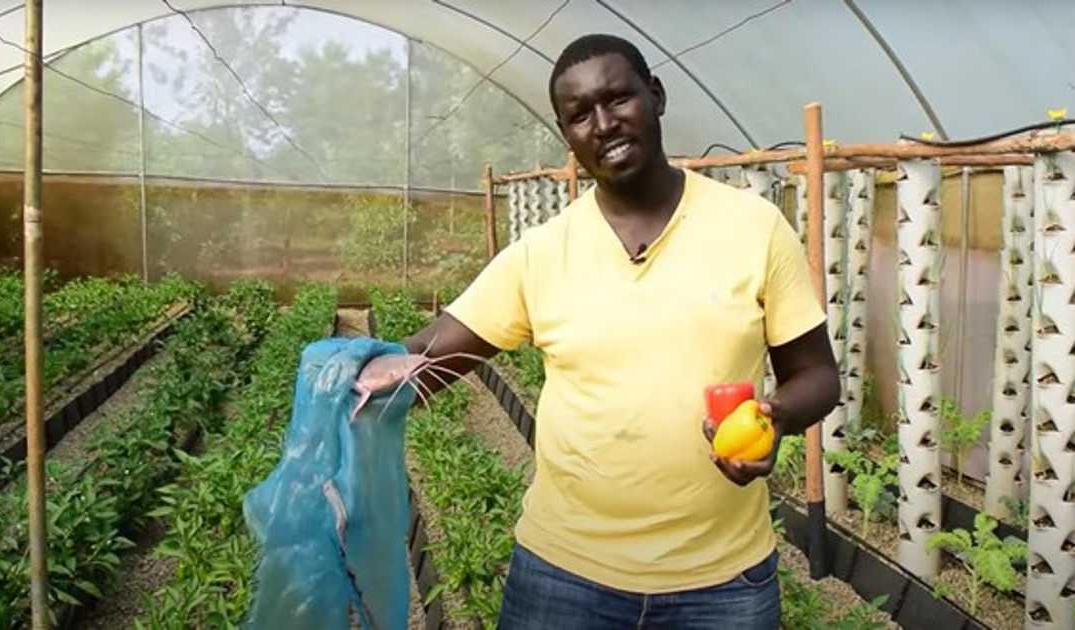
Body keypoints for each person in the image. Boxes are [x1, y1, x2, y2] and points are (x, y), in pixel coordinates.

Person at [360, 33, 840, 629]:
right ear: (567, 135)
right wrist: (349, 380)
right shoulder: (540, 253)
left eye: (618, 99)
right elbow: (430, 354)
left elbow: (817, 375)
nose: (604, 124)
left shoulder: (754, 227)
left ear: (656, 97)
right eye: (580, 115)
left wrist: (775, 418)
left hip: (721, 582)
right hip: (563, 577)